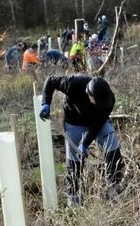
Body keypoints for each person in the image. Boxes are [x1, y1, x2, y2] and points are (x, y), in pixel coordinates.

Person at [39, 74, 123, 205]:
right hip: (74, 121)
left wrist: (85, 144)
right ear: (89, 94)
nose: (99, 105)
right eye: (97, 102)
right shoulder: (74, 84)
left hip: (97, 122)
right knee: (74, 160)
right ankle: (74, 197)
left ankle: (114, 187)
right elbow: (50, 80)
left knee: (113, 149)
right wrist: (45, 103)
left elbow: (97, 125)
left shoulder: (108, 100)